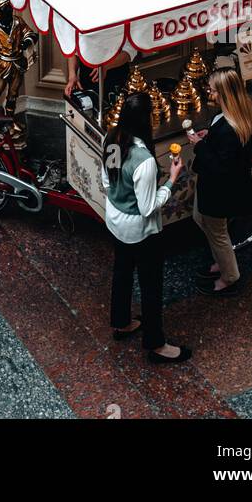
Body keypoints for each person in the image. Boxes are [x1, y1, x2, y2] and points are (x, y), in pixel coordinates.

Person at [102, 91, 190, 365]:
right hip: (140, 231)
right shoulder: (145, 161)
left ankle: (121, 322)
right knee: (151, 285)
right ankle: (155, 343)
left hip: (115, 220)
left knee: (122, 271)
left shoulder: (112, 138)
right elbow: (148, 207)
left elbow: (106, 181)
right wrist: (171, 180)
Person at [191, 67, 252, 296]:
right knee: (200, 219)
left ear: (224, 93)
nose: (210, 94)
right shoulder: (235, 114)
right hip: (215, 188)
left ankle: (230, 276)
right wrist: (208, 138)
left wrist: (199, 146)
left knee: (216, 231)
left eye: (213, 90)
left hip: (218, 191)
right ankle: (222, 258)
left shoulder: (230, 127)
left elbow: (221, 167)